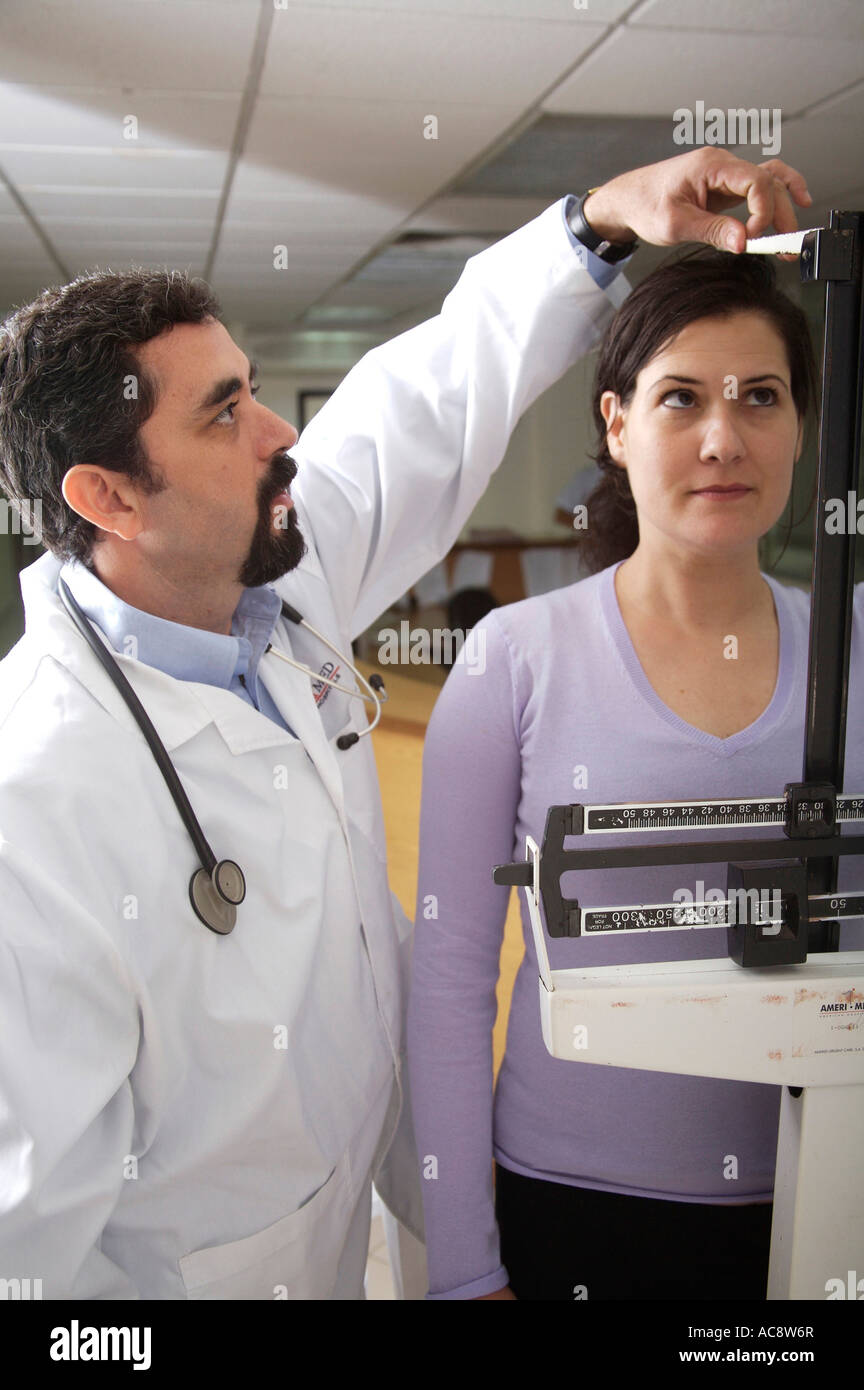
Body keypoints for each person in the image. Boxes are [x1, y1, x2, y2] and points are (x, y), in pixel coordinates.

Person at [0, 150, 813, 1300]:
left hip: (345, 1247)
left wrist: (595, 221)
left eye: (254, 385)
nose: (280, 431)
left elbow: (424, 404)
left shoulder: (264, 582)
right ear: (109, 498)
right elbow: (25, 1241)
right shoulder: (30, 799)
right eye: (224, 413)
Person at [407, 238, 864, 1301]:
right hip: (576, 1206)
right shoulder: (513, 658)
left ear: (802, 424)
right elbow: (448, 981)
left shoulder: (854, 648)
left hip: (828, 1187)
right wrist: (467, 1269)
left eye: (761, 396)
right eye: (680, 398)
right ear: (615, 425)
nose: (723, 437)